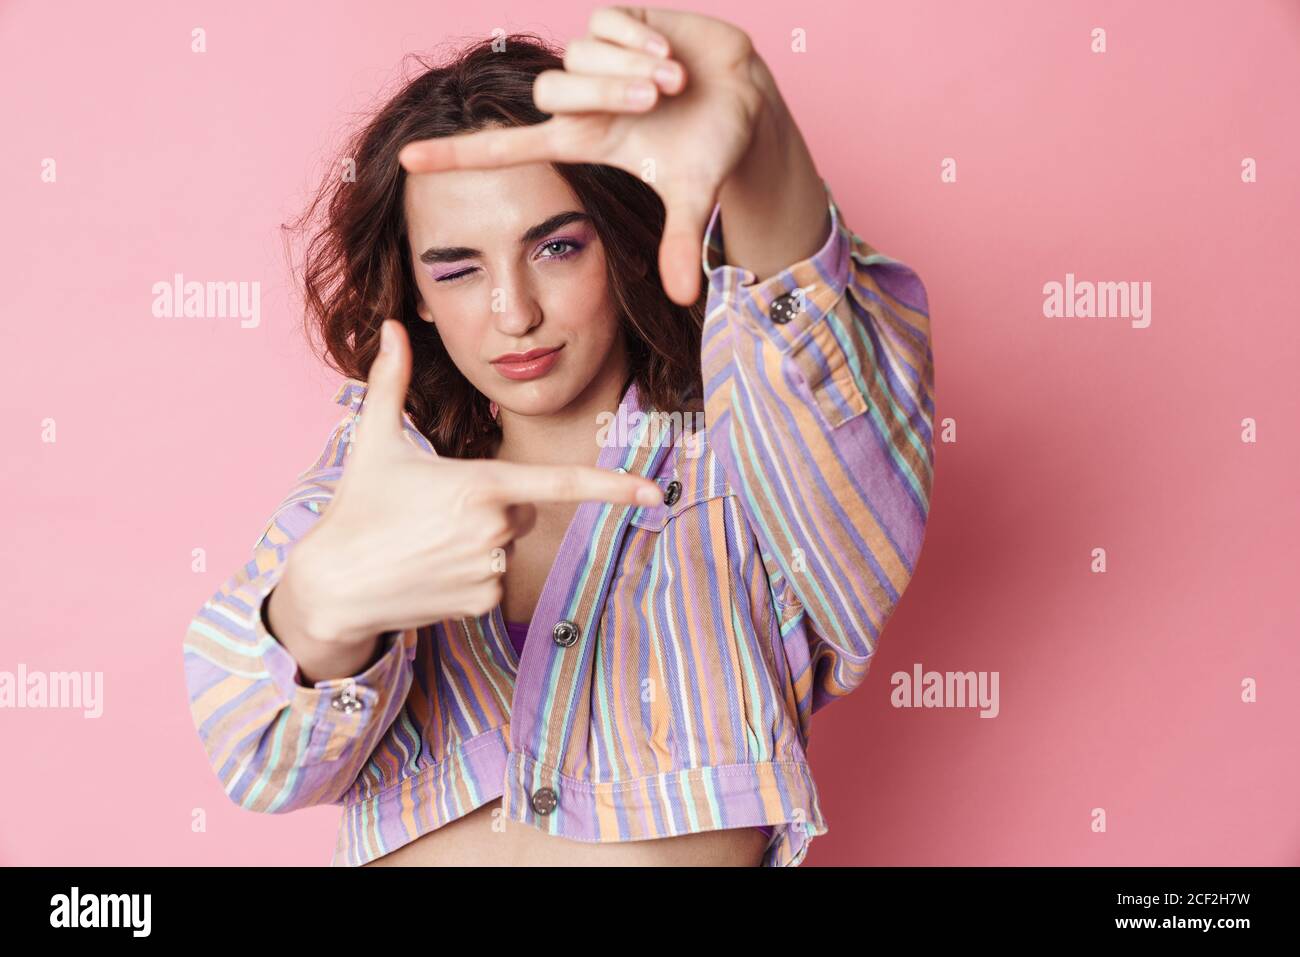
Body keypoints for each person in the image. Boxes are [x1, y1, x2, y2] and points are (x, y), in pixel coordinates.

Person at [183, 6, 936, 867]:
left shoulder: (746, 469)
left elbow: (838, 407)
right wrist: (320, 610)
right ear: (418, 295)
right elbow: (257, 759)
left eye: (555, 247)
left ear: (617, 241)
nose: (514, 312)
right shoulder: (378, 489)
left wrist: (762, 153)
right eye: (458, 268)